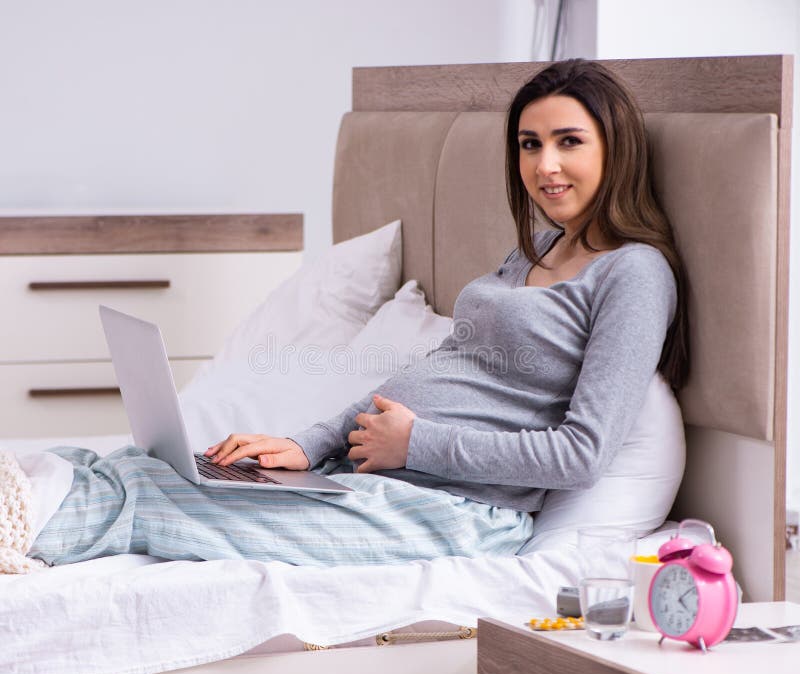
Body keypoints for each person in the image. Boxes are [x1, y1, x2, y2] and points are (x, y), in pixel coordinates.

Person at [24, 59, 689, 570]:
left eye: (568, 142)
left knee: (150, 493)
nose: (544, 166)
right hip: (374, 480)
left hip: (458, 514)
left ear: (614, 148)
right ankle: (29, 498)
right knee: (138, 464)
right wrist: (310, 444)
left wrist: (416, 443)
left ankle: (21, 525)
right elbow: (449, 362)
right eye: (528, 143)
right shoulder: (537, 249)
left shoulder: (634, 273)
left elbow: (582, 454)